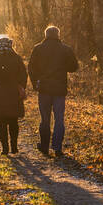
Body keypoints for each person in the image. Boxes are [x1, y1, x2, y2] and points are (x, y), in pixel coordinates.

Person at [26, 24, 79, 157]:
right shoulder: (65, 49)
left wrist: (35, 84)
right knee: (59, 119)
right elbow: (74, 67)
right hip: (59, 89)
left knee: (45, 119)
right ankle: (57, 147)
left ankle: (44, 146)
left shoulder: (38, 48)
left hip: (43, 88)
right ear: (58, 35)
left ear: (46, 35)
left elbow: (31, 68)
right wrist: (63, 66)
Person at [0, 36, 28, 155]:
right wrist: (21, 87)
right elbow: (24, 76)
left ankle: (5, 149)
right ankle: (14, 147)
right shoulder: (17, 59)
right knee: (13, 121)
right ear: (11, 46)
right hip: (14, 94)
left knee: (2, 123)